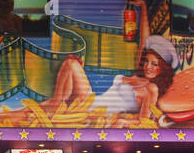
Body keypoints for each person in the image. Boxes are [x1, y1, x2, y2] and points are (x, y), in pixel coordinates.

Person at [46, 36, 178, 123]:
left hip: (94, 110)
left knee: (71, 63)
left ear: (163, 69)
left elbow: (144, 120)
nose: (148, 67)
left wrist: (124, 121)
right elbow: (144, 40)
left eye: (154, 64)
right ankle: (57, 104)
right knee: (71, 63)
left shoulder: (151, 89)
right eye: (147, 62)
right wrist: (142, 6)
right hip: (90, 100)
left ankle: (56, 106)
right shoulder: (138, 77)